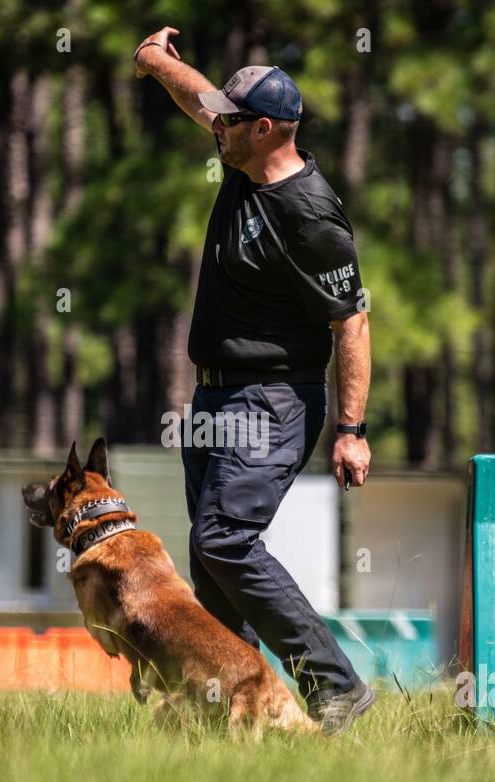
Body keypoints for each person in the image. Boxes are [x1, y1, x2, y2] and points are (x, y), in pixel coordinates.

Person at [134, 27, 376, 734]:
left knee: (225, 540)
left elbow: (352, 325)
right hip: (213, 397)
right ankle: (220, 705)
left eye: (230, 120)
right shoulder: (242, 161)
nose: (216, 123)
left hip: (274, 398)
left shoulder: (311, 215)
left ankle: (335, 688)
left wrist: (352, 430)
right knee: (211, 572)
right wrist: (154, 63)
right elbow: (199, 98)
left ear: (265, 128)